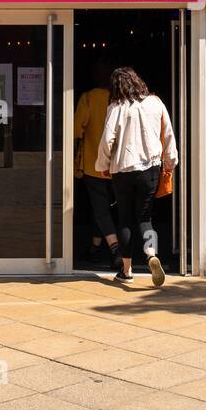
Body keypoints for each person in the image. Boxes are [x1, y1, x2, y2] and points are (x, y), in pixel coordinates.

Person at [95, 67, 177, 287]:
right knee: (145, 217)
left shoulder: (116, 107)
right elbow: (167, 134)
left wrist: (102, 165)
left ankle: (127, 270)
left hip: (122, 169)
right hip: (150, 168)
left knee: (125, 219)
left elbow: (107, 140)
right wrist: (170, 162)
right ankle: (151, 255)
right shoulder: (155, 103)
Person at [74, 62, 119, 271]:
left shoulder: (89, 98)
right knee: (103, 209)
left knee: (100, 209)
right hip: (118, 166)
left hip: (94, 164)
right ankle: (94, 247)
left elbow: (76, 129)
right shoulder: (119, 100)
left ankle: (115, 250)